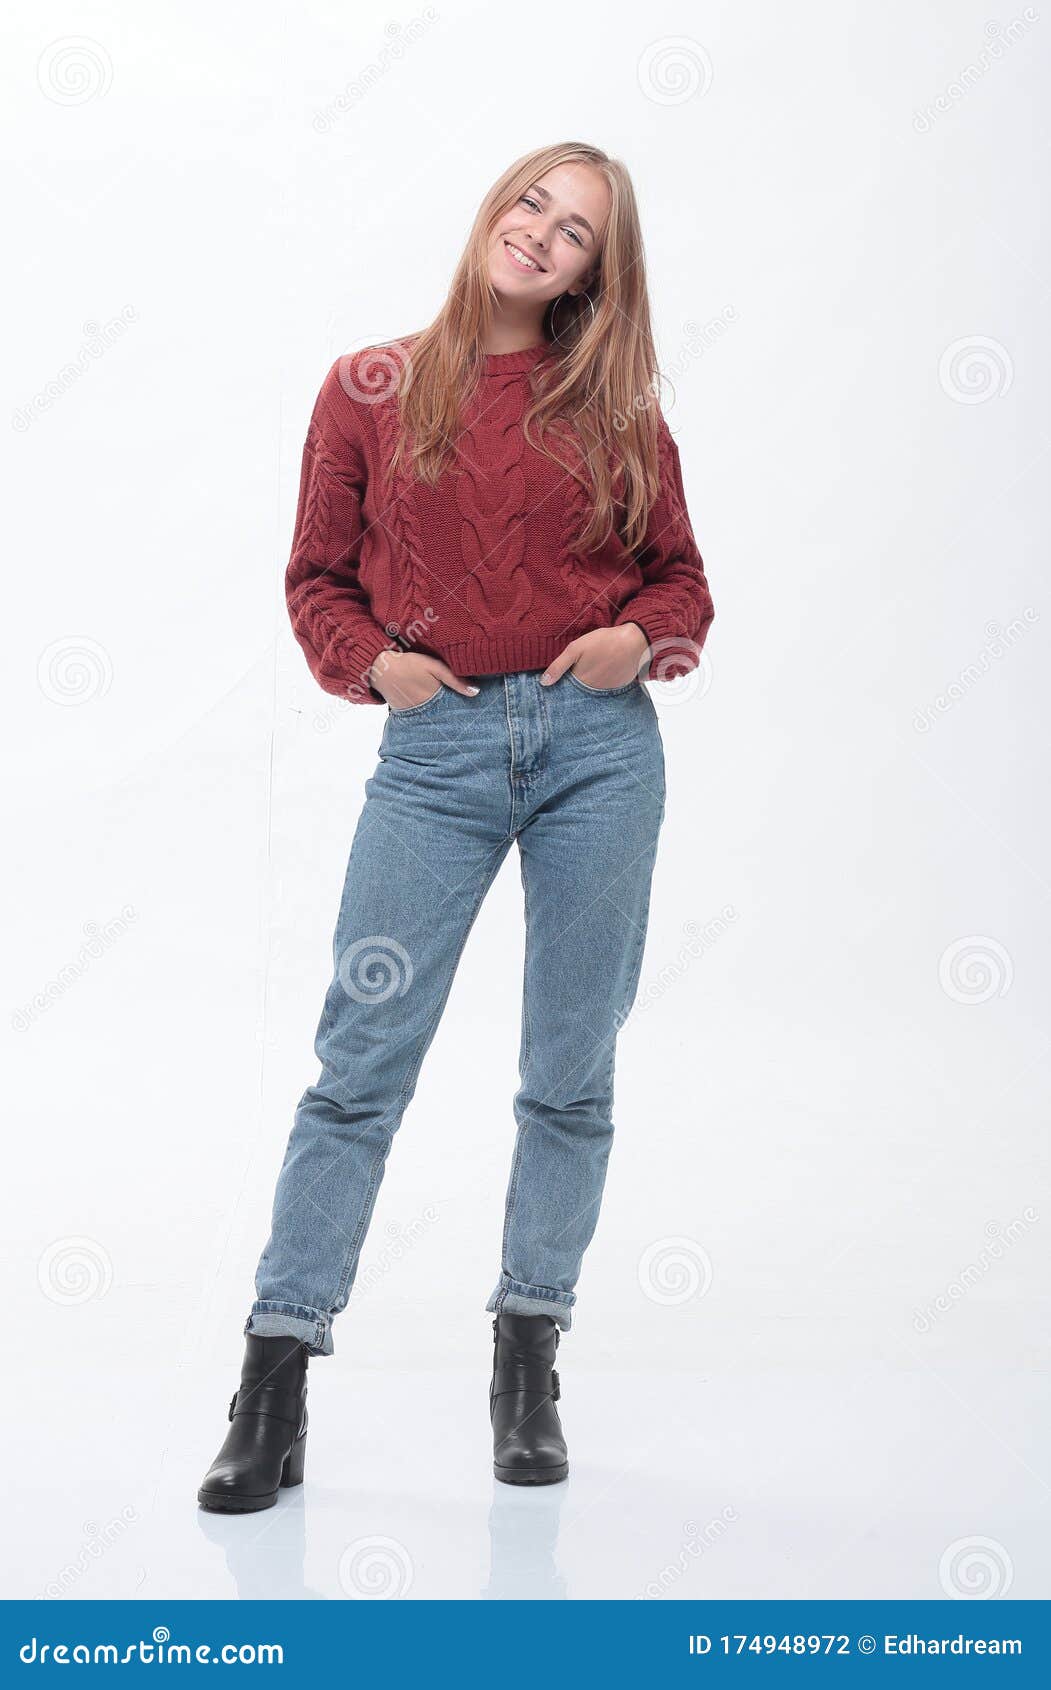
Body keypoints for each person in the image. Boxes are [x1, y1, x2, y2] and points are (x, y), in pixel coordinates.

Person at [198, 140, 714, 1513]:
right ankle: (275, 1369)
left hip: (599, 751)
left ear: (600, 271)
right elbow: (315, 575)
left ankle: (528, 1349)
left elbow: (684, 585)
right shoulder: (370, 386)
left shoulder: (612, 404)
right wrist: (374, 665)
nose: (544, 235)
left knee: (570, 1068)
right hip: (434, 754)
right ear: (495, 211)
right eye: (533, 203)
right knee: (359, 1060)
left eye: (580, 231)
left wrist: (634, 639)